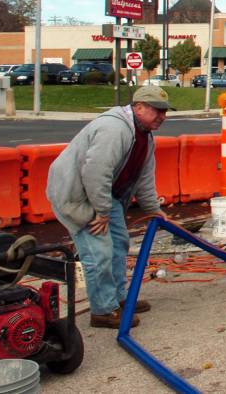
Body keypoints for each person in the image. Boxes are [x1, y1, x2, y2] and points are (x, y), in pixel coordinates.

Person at [46, 85, 172, 328]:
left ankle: (118, 299)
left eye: (165, 111)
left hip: (103, 195)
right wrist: (102, 211)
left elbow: (143, 178)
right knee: (99, 252)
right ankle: (103, 310)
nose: (163, 116)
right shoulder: (115, 129)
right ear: (138, 107)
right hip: (77, 194)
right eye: (157, 111)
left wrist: (153, 209)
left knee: (119, 245)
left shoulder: (144, 136)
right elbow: (95, 172)